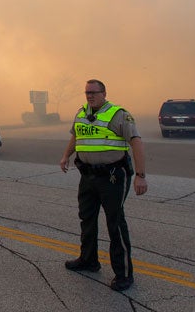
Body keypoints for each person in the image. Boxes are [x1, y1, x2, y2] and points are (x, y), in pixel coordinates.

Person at [59, 79, 148, 292]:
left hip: (113, 177)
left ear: (104, 93)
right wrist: (65, 156)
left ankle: (124, 274)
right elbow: (76, 136)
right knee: (87, 219)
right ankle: (89, 261)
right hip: (87, 176)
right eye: (87, 92)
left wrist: (140, 175)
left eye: (94, 92)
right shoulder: (81, 113)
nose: (90, 96)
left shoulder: (119, 114)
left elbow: (136, 142)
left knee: (115, 223)